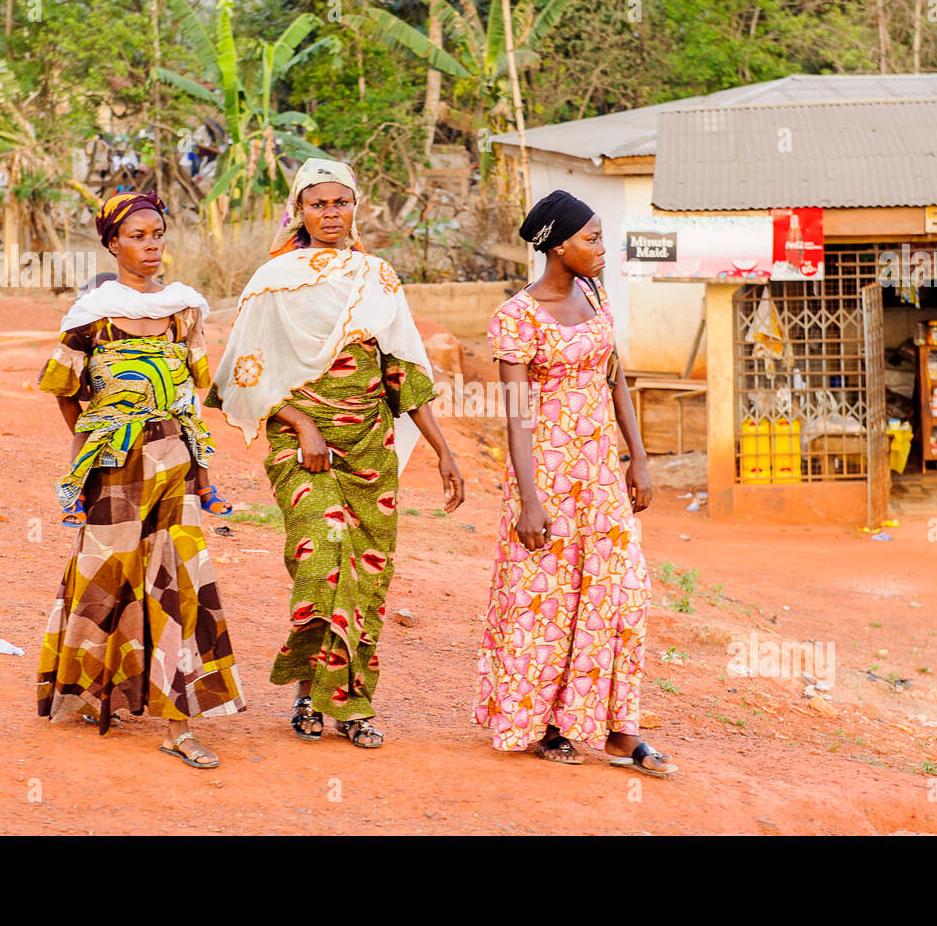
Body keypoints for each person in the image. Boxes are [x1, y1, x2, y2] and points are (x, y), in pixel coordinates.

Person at [207, 158, 465, 749]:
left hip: (370, 447)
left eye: (340, 203)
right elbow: (240, 382)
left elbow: (403, 371)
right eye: (317, 204)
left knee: (367, 576)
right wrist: (301, 425)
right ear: (299, 210)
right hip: (302, 447)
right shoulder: (271, 281)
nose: (330, 214)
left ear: (356, 208)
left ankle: (350, 706)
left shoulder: (377, 277)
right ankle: (306, 694)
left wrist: (443, 452)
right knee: (322, 556)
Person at [36, 190, 244, 768]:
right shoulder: (90, 319)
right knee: (104, 577)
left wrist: (203, 472)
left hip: (173, 462)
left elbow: (189, 401)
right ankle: (86, 691)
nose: (150, 247)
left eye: (157, 236)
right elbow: (66, 394)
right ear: (111, 244)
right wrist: (88, 459)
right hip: (111, 471)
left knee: (175, 583)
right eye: (136, 237)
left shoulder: (183, 309)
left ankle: (178, 724)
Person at [473, 189, 675, 777]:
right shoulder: (517, 316)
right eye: (591, 239)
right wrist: (528, 500)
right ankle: (547, 724)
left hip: (601, 476)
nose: (602, 249)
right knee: (546, 601)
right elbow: (516, 414)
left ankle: (619, 731)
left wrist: (637, 458)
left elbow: (617, 382)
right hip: (548, 476)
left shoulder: (596, 297)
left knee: (621, 596)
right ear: (558, 246)